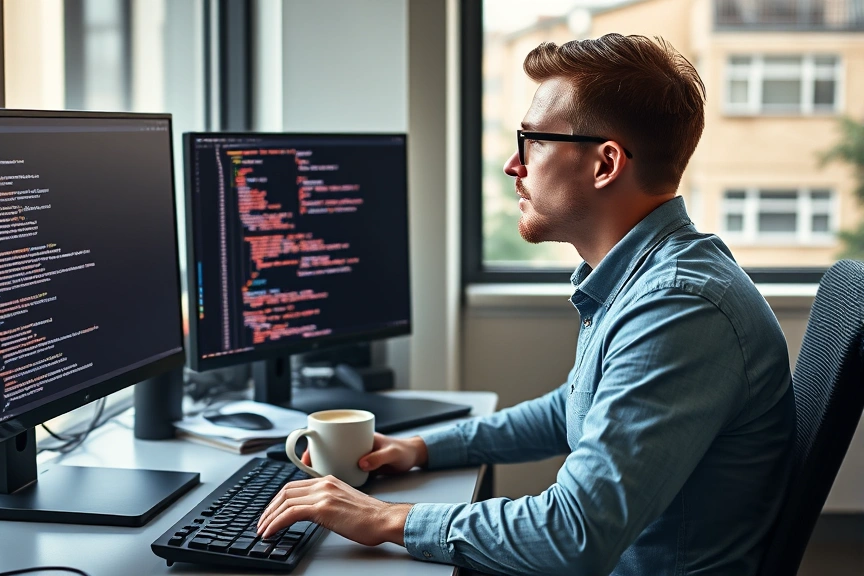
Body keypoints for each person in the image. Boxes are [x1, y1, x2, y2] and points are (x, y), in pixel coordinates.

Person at [257, 33, 795, 575]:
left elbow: (573, 536)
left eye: (533, 141)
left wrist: (387, 519)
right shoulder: (645, 276)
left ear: (605, 164)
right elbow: (576, 404)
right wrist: (419, 447)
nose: (515, 166)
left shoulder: (677, 306)